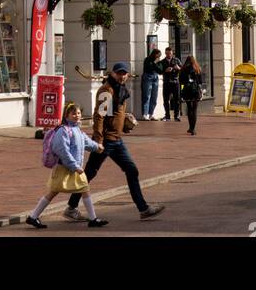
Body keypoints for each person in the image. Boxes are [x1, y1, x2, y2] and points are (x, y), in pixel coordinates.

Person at [65, 63, 164, 222]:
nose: (122, 76)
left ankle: (143, 209)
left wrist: (123, 123)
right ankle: (71, 207)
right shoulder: (107, 91)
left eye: (124, 73)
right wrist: (98, 140)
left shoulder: (119, 89)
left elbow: (113, 113)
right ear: (112, 74)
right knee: (89, 173)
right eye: (119, 73)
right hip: (106, 140)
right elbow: (99, 116)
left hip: (116, 140)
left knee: (131, 170)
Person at [26, 102, 108, 228]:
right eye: (73, 113)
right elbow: (62, 151)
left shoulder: (77, 130)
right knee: (53, 192)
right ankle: (33, 216)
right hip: (65, 168)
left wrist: (97, 147)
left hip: (73, 168)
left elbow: (86, 143)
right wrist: (75, 166)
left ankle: (93, 219)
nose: (77, 115)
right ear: (66, 115)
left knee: (84, 189)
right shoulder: (63, 130)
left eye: (79, 113)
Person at [179, 55, 203, 135]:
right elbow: (200, 81)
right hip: (195, 90)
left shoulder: (183, 69)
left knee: (189, 108)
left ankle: (190, 127)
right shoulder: (197, 69)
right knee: (195, 109)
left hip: (187, 90)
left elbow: (181, 81)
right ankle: (193, 128)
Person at [141, 48, 162, 121]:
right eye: (158, 55)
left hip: (155, 77)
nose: (159, 57)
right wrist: (154, 62)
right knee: (146, 96)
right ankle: (145, 114)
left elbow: (160, 71)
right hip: (148, 77)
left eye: (159, 56)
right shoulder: (147, 59)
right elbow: (148, 68)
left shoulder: (157, 61)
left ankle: (151, 114)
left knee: (154, 97)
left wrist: (158, 64)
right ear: (154, 54)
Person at [160, 47, 181, 121]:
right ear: (165, 53)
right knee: (166, 100)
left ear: (172, 53)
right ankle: (167, 116)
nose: (168, 55)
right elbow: (159, 71)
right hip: (166, 82)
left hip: (175, 82)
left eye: (170, 53)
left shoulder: (176, 60)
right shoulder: (162, 62)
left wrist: (178, 68)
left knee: (177, 100)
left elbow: (182, 70)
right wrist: (165, 70)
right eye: (167, 53)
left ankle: (176, 116)